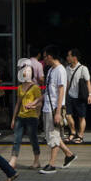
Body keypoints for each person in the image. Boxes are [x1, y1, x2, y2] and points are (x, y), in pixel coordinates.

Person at [38, 45, 77, 173]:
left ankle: (52, 164)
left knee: (53, 136)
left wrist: (58, 112)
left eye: (45, 57)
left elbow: (61, 92)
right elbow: (49, 92)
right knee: (52, 136)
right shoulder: (50, 71)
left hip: (55, 109)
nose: (44, 60)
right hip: (47, 108)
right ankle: (69, 155)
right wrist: (36, 102)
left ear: (49, 56)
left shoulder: (60, 70)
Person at [10, 65, 43, 170]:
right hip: (20, 116)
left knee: (33, 139)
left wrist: (34, 109)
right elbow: (18, 104)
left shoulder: (35, 87)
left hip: (32, 117)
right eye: (24, 70)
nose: (26, 72)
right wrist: (13, 118)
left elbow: (40, 103)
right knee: (16, 138)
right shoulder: (20, 87)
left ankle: (36, 161)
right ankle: (13, 160)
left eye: (28, 71)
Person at [64, 48, 91, 144]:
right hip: (70, 95)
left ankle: (80, 136)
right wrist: (65, 94)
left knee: (81, 117)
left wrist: (89, 95)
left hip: (80, 97)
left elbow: (88, 82)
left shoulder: (83, 68)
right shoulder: (67, 68)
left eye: (69, 56)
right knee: (67, 115)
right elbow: (67, 83)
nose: (67, 57)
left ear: (74, 57)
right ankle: (72, 132)